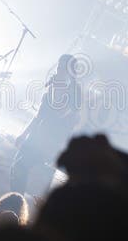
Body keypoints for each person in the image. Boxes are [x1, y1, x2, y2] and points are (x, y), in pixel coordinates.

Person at [9, 54, 81, 193]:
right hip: (36, 135)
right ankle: (17, 201)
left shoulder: (74, 91)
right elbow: (39, 115)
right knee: (16, 167)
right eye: (59, 66)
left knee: (24, 169)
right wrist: (23, 134)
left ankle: (20, 204)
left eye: (63, 67)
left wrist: (57, 88)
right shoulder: (54, 86)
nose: (59, 70)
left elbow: (63, 113)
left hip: (51, 141)